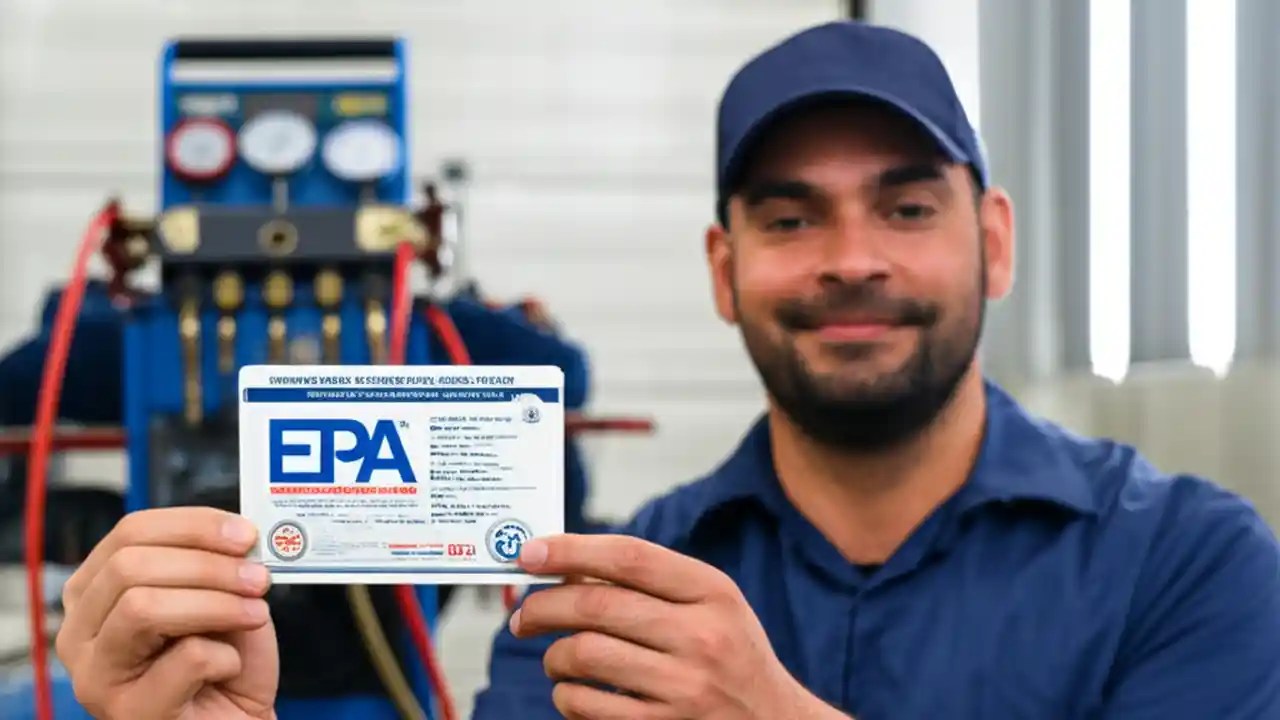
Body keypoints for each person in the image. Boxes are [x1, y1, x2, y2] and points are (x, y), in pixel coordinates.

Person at [52, 19, 1280, 720]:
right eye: (790, 218)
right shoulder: (603, 604)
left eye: (904, 208)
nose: (849, 261)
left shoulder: (1187, 565)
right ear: (720, 266)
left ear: (993, 240)